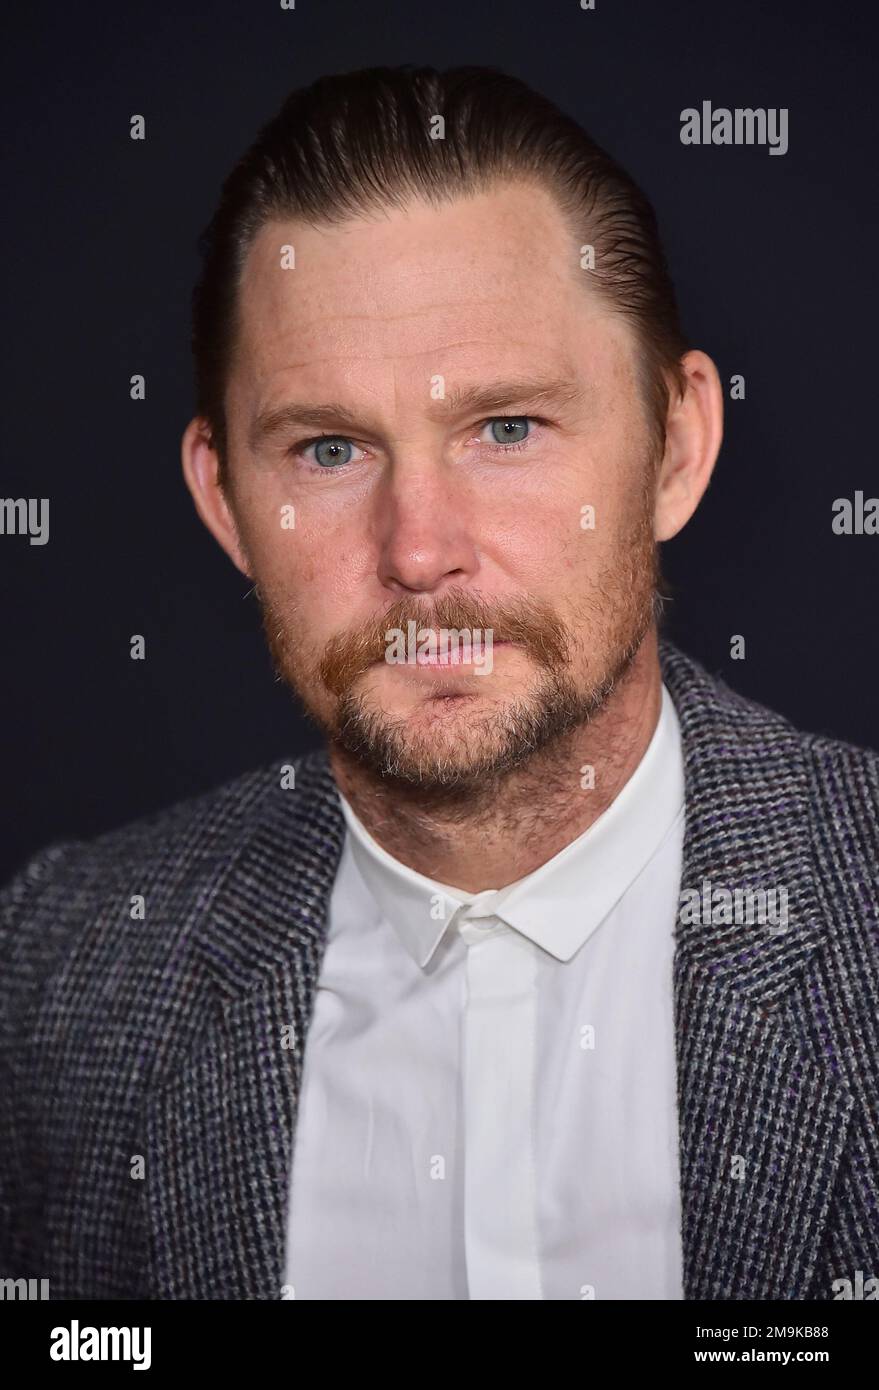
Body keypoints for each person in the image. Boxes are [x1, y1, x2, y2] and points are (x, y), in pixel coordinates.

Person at [1, 65, 877, 1301]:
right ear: (224, 501)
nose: (418, 550)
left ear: (676, 447)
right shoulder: (55, 976)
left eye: (507, 427)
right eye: (331, 448)